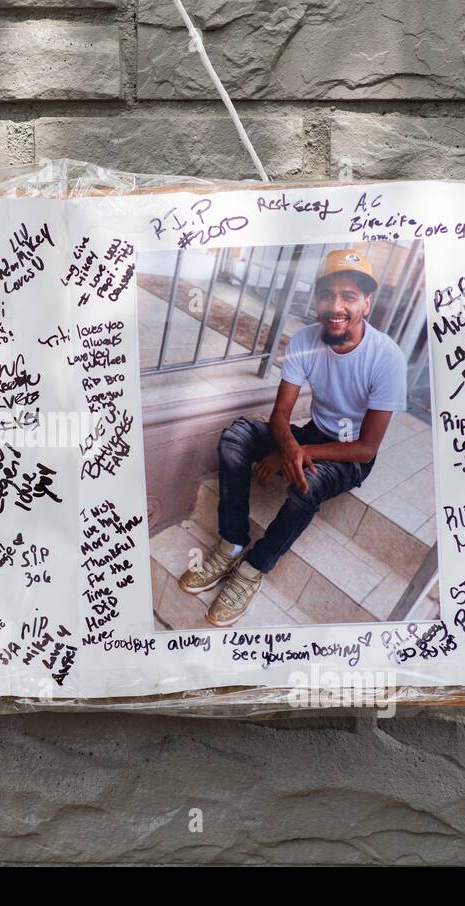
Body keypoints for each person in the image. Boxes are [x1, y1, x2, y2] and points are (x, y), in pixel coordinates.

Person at [179, 248, 409, 626]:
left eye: (349, 296)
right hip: (313, 432)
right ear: (316, 299)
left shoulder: (388, 358)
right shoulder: (305, 339)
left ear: (366, 304)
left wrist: (297, 452)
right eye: (327, 295)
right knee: (236, 438)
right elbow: (282, 414)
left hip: (350, 454)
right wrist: (287, 445)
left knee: (308, 481)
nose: (336, 306)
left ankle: (255, 566)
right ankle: (233, 542)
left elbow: (366, 448)